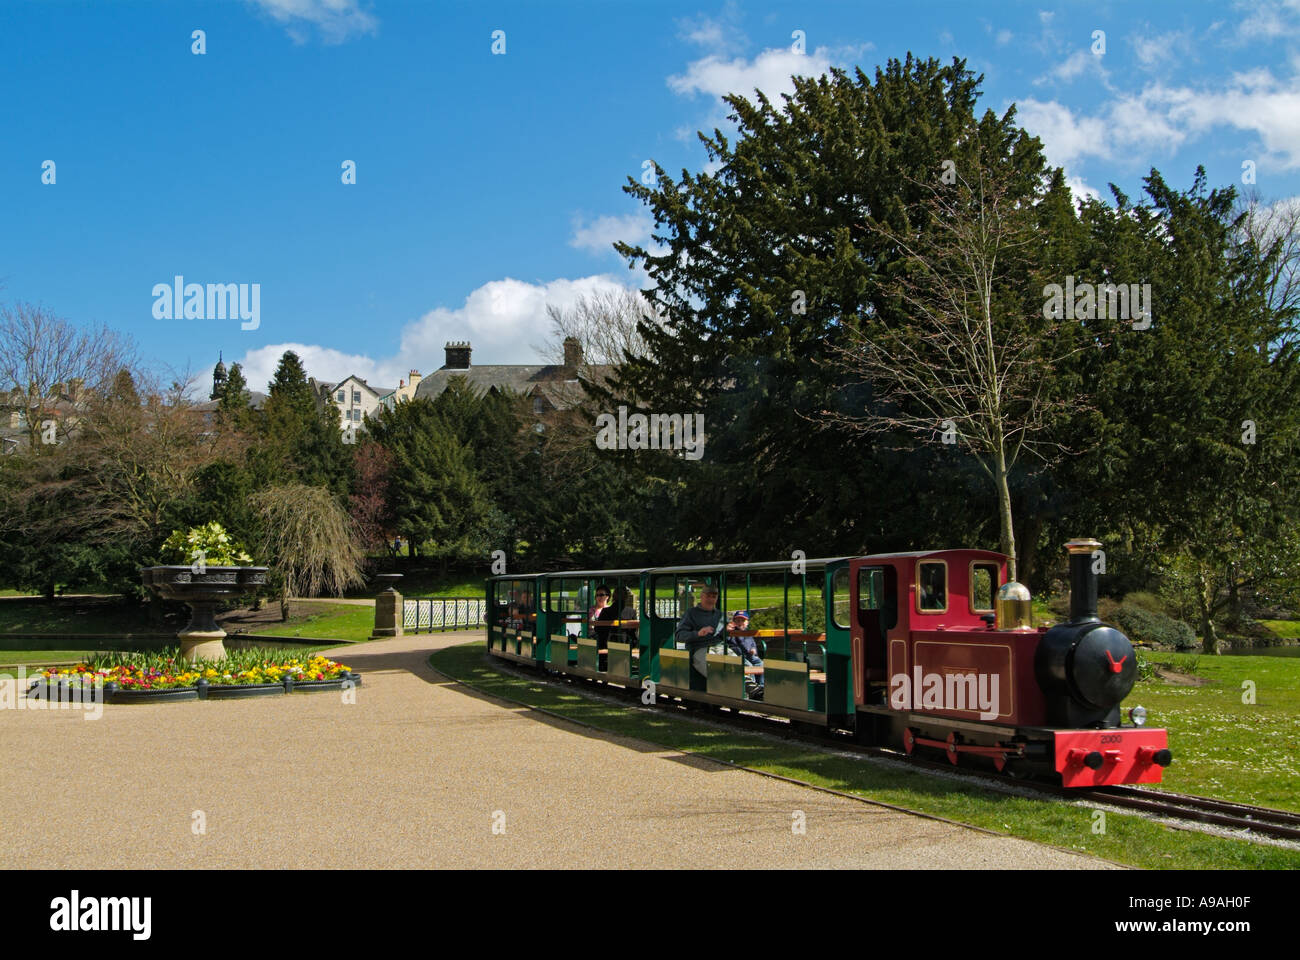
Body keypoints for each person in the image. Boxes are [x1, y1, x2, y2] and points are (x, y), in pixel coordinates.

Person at [675, 585, 725, 680]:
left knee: (739, 664)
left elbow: (723, 636)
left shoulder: (719, 615)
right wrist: (698, 633)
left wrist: (731, 630)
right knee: (715, 671)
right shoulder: (691, 613)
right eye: (708, 596)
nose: (710, 599)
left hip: (719, 648)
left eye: (713, 597)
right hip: (699, 649)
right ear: (701, 596)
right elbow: (679, 635)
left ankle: (752, 688)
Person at [726, 610, 764, 700]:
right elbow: (729, 642)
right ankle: (752, 691)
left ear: (747, 622)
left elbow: (753, 644)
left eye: (742, 621)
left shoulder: (748, 633)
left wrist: (754, 650)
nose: (740, 623)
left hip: (750, 655)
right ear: (734, 622)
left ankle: (761, 687)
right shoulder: (731, 633)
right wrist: (728, 630)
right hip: (739, 656)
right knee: (749, 666)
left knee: (760, 664)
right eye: (737, 621)